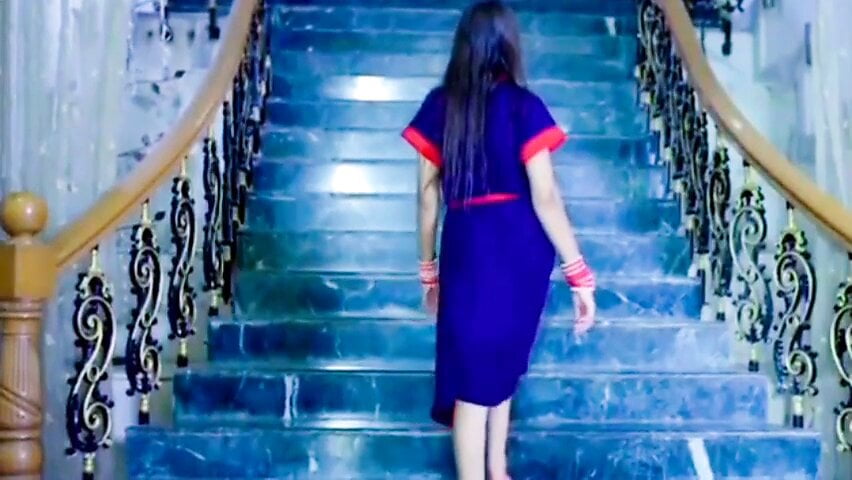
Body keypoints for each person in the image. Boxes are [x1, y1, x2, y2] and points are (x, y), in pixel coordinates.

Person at [401, 1, 597, 479]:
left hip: (467, 243)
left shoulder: (441, 105)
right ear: (509, 45)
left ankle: (495, 468)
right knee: (491, 363)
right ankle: (490, 471)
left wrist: (427, 268)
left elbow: (427, 197)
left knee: (480, 365)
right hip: (520, 245)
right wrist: (578, 272)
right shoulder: (525, 106)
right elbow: (545, 195)